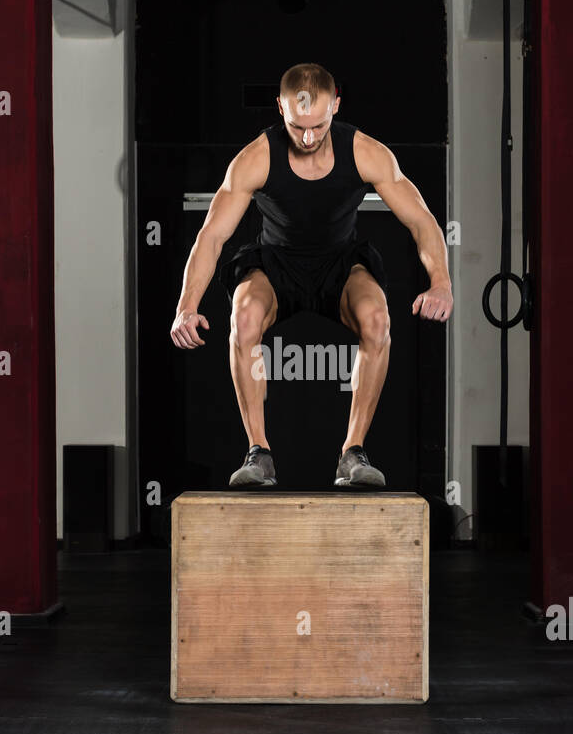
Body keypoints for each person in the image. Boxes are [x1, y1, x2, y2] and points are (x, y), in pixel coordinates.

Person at [169, 63, 453, 488]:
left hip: (340, 263)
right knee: (243, 319)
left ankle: (352, 453)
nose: (306, 137)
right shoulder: (256, 158)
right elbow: (211, 237)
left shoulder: (365, 152)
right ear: (279, 107)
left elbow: (421, 221)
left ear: (335, 106)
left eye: (317, 126)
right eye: (296, 125)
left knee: (377, 320)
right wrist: (186, 306)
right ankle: (258, 453)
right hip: (275, 263)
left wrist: (441, 282)